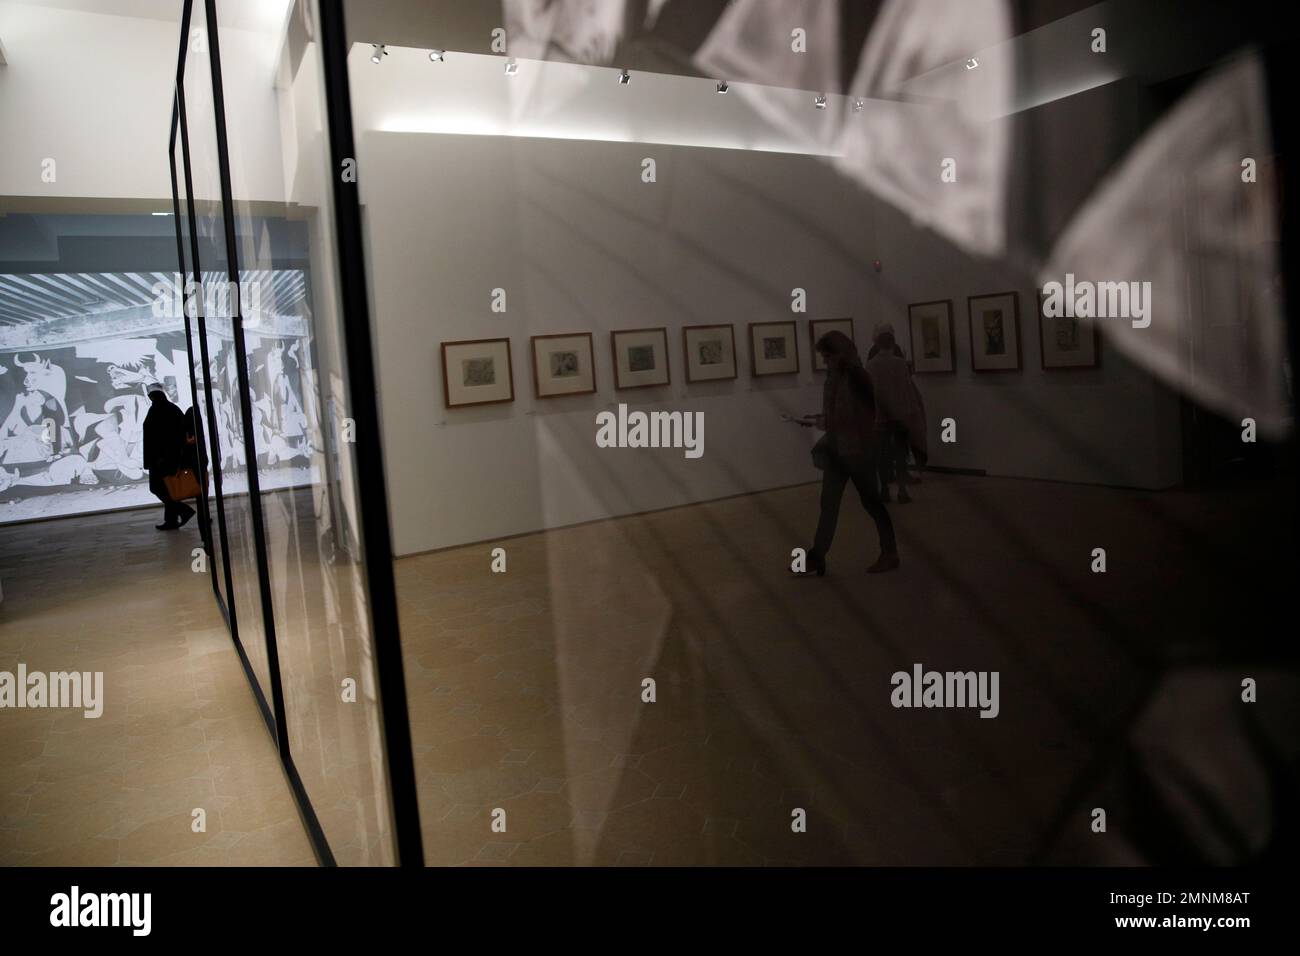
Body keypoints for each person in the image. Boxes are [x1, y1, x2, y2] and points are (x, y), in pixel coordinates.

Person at [796, 330, 898, 577]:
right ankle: (816, 557)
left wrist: (831, 423)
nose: (824, 361)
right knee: (828, 504)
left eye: (827, 356)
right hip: (837, 450)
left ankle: (890, 552)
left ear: (840, 354)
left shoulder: (859, 377)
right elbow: (835, 413)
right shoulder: (833, 378)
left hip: (858, 450)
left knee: (871, 503)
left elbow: (867, 417)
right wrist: (820, 420)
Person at [866, 323, 919, 503]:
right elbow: (907, 389)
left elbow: (869, 392)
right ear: (893, 343)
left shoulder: (871, 365)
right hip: (899, 415)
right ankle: (902, 491)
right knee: (900, 455)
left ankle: (885, 490)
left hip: (880, 416)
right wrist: (911, 410)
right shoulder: (900, 364)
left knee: (882, 456)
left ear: (877, 344)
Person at [142, 387, 194, 530]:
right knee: (166, 489)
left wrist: (163, 457)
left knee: (158, 488)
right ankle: (172, 519)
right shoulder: (169, 409)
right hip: (165, 459)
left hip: (162, 460)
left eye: (152, 396)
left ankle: (183, 511)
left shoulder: (161, 410)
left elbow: (167, 437)